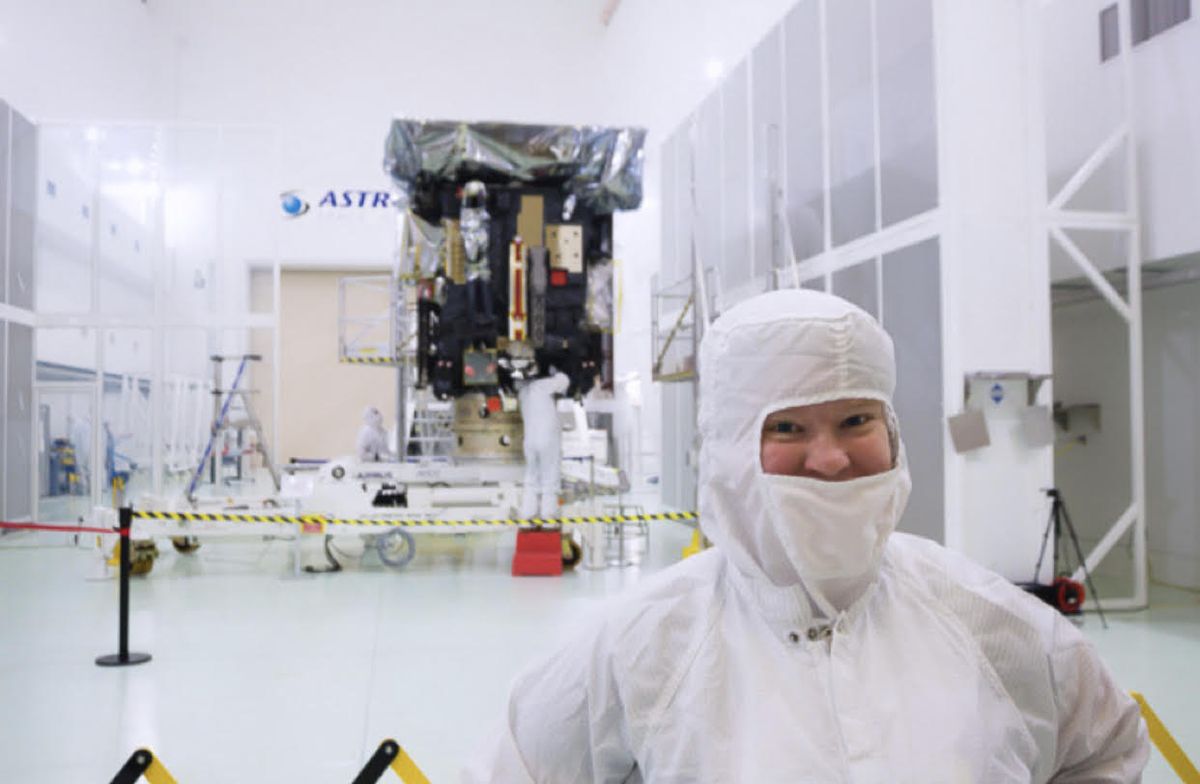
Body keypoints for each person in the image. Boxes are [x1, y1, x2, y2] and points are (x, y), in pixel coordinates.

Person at [464, 289, 1147, 782]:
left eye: (856, 420)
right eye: (787, 427)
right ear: (730, 450)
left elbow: (1106, 749)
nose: (830, 458)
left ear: (893, 433)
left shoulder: (987, 621)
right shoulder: (643, 645)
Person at [517, 371, 570, 519]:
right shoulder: (541, 386)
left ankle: (527, 514)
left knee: (531, 478)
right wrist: (557, 370)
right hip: (547, 440)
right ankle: (548, 516)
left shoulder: (523, 392)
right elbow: (563, 380)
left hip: (529, 441)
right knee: (550, 477)